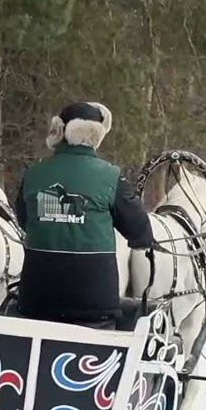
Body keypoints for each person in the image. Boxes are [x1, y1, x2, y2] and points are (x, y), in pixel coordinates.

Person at [13, 102, 154, 328]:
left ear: (59, 132)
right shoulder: (111, 176)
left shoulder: (33, 173)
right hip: (93, 305)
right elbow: (139, 230)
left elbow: (24, 220)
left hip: (35, 301)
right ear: (96, 136)